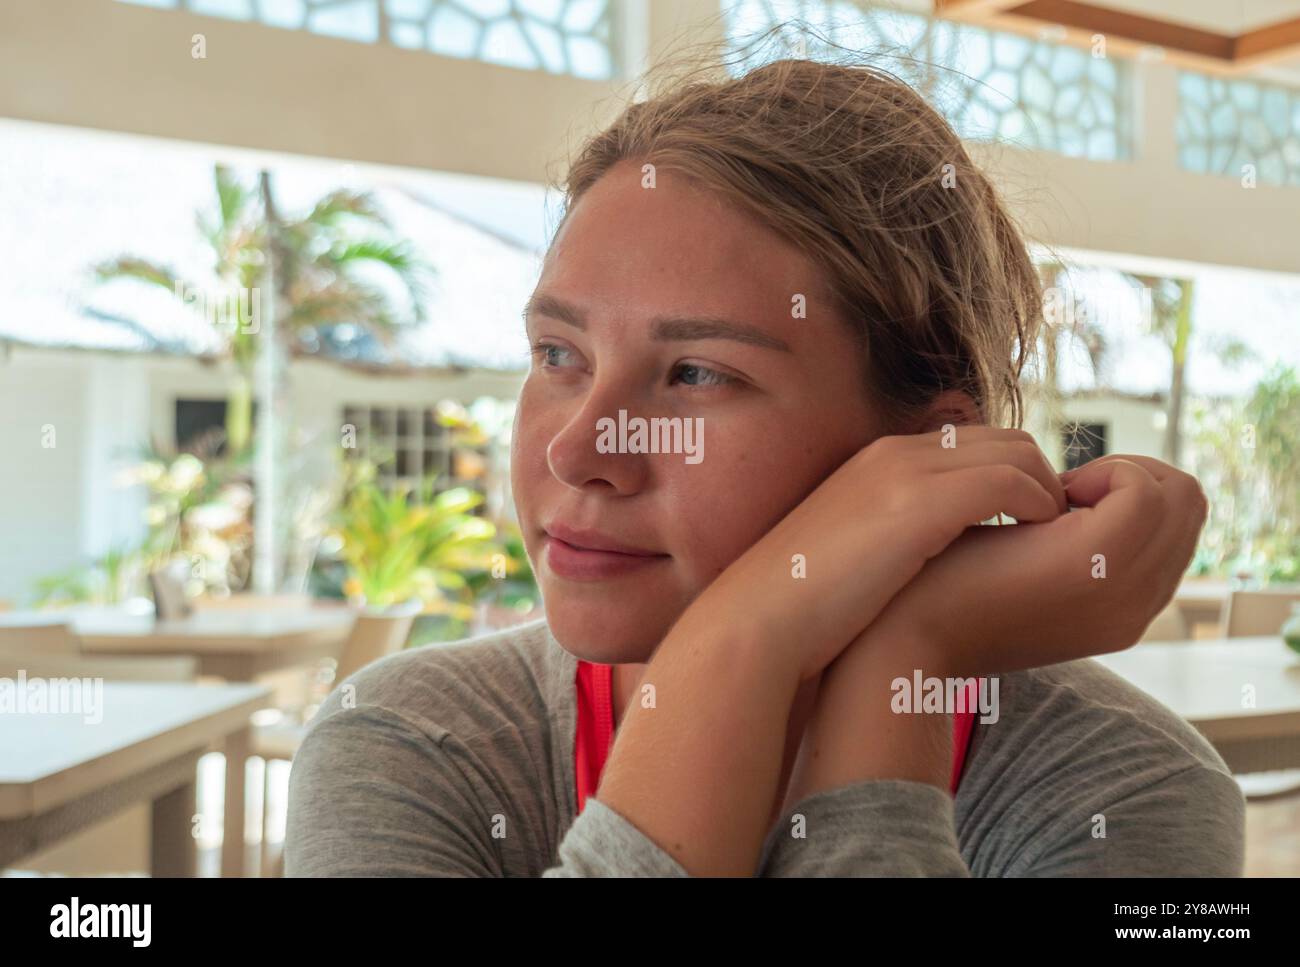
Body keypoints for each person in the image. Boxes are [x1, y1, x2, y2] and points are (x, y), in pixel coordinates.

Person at [284, 47, 1244, 877]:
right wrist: (755, 640)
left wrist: (899, 659)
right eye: (558, 355)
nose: (579, 450)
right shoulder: (411, 743)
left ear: (931, 451)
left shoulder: (1124, 785)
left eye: (697, 373)